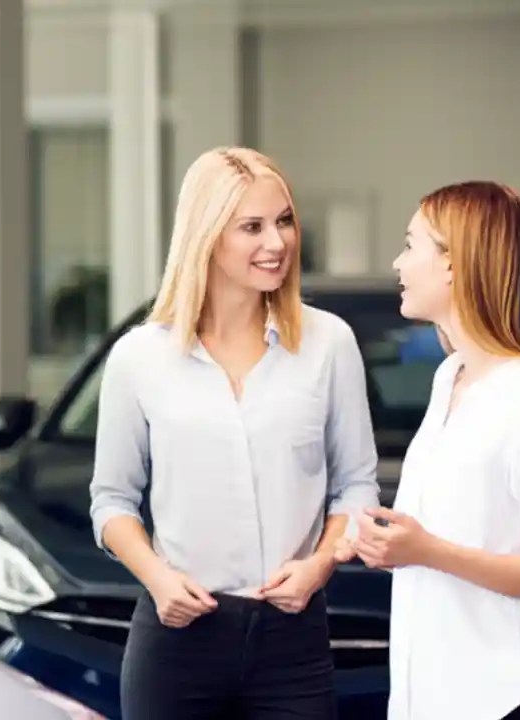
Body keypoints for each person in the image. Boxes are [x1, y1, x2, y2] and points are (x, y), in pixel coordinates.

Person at [89, 146, 381, 719]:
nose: (277, 243)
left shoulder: (329, 345)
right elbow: (111, 501)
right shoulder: (139, 358)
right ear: (207, 235)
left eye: (284, 221)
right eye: (252, 227)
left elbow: (356, 486)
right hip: (177, 639)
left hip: (292, 642)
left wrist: (320, 566)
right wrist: (158, 578)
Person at [340, 181, 520, 720]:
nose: (398, 263)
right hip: (435, 699)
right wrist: (388, 541)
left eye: (410, 245)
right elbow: (459, 528)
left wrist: (427, 551)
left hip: (509, 702)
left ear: (454, 263)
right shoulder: (450, 378)